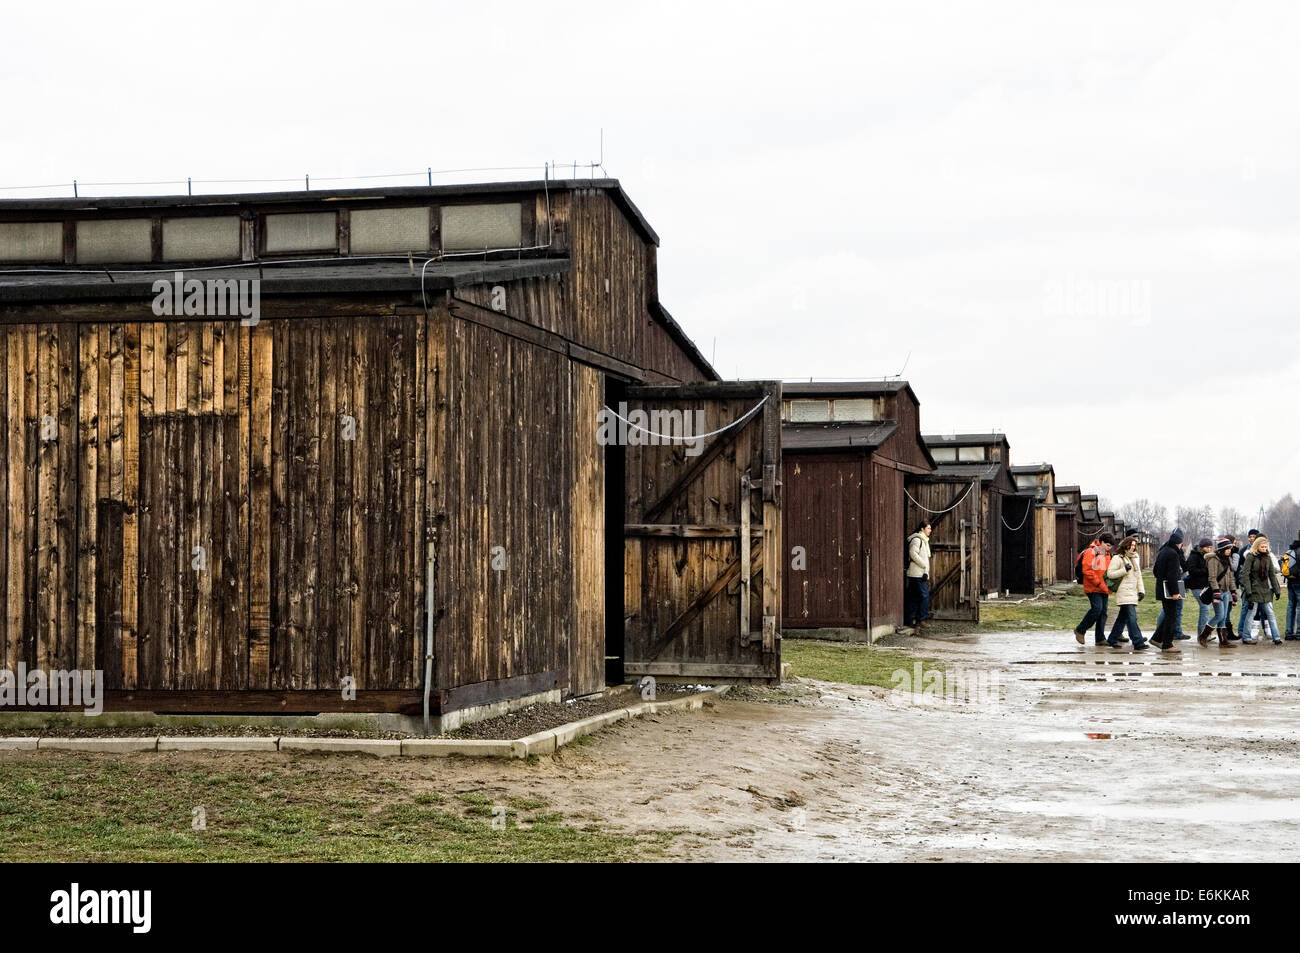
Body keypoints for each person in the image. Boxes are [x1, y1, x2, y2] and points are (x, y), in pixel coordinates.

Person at [1104, 536, 1148, 650]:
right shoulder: (1118, 558)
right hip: (1123, 592)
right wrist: (1124, 570)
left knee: (1122, 618)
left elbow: (1138, 576)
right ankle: (1138, 642)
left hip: (1132, 592)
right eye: (1131, 545)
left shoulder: (1135, 558)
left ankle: (1112, 639)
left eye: (1134, 545)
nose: (1132, 547)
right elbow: (1110, 574)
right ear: (1125, 545)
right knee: (1132, 618)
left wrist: (1141, 591)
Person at [1073, 532, 1116, 646]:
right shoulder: (1091, 551)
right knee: (1097, 609)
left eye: (1110, 546)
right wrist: (1100, 584)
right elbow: (1088, 571)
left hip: (1103, 588)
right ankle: (1080, 630)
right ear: (1101, 542)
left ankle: (1100, 638)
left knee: (1103, 612)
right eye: (1107, 545)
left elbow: (1106, 571)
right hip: (1093, 587)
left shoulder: (1106, 554)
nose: (1109, 548)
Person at [1240, 535, 1283, 644]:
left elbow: (1272, 575)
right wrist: (1248, 591)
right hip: (1254, 590)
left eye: (1266, 547)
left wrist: (1277, 590)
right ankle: (1246, 637)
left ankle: (1276, 637)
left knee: (1271, 614)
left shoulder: (1268, 557)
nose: (1264, 549)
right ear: (1257, 546)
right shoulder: (1250, 557)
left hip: (1266, 591)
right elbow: (1245, 575)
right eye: (1262, 547)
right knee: (1251, 614)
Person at [1152, 529, 1186, 652]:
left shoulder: (1163, 551)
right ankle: (1167, 644)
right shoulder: (1173, 554)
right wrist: (1175, 592)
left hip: (1162, 588)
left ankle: (1156, 638)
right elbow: (1173, 575)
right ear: (1179, 543)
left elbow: (1155, 571)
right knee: (1172, 616)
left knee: (1169, 615)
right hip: (1170, 591)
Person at [1202, 537, 1237, 647]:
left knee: (1224, 615)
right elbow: (1212, 577)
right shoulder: (1213, 560)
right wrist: (1216, 591)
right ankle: (1203, 636)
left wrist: (1233, 592)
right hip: (1217, 592)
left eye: (1230, 548)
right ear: (1222, 549)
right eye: (1227, 548)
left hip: (1226, 592)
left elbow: (1230, 577)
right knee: (1219, 615)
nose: (1229, 550)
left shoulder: (1228, 559)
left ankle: (1223, 640)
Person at [1185, 537, 1214, 642]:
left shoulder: (1208, 556)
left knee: (1206, 609)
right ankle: (1202, 634)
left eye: (1211, 547)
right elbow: (1191, 570)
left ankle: (1204, 634)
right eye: (1208, 547)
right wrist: (1206, 571)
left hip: (1205, 586)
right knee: (1205, 608)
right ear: (1202, 547)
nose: (1210, 549)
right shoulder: (1194, 556)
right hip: (1196, 585)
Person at [904, 521, 932, 629]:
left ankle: (908, 620)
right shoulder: (917, 540)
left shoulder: (924, 541)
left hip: (918, 574)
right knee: (924, 596)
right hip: (916, 574)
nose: (930, 530)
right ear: (922, 529)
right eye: (928, 528)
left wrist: (925, 572)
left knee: (913, 598)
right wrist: (924, 565)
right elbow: (913, 553)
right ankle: (921, 619)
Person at [1235, 529, 1261, 639]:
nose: (1251, 538)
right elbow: (1239, 568)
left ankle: (1252, 629)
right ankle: (1241, 631)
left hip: (1257, 584)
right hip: (1245, 583)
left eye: (1254, 536)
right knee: (1246, 606)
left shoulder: (1261, 549)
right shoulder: (1244, 551)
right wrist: (1239, 582)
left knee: (1256, 609)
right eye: (1250, 536)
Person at [1285, 538, 1300, 640]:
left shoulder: (1292, 549)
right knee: (1299, 607)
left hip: (1291, 581)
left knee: (1291, 606)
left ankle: (1289, 632)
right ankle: (1299, 632)